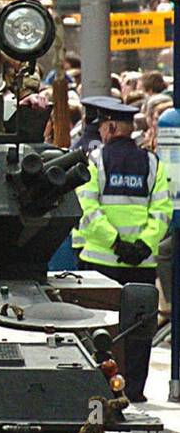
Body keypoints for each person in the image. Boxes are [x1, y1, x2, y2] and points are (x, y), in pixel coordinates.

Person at [72, 97, 171, 402]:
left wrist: (114, 243)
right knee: (140, 330)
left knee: (99, 331)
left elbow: (87, 208)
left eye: (102, 125)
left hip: (101, 265)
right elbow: (162, 211)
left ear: (111, 126)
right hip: (142, 265)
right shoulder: (153, 163)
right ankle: (134, 390)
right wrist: (143, 245)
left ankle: (102, 388)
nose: (100, 131)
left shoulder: (94, 162)